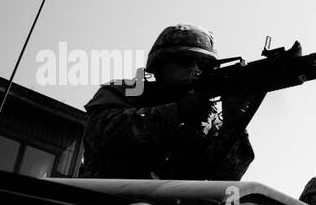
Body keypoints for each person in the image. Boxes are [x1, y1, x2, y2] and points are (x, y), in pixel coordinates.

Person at [80, 24, 263, 180]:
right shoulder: (127, 92)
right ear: (160, 63)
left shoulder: (206, 121)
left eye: (204, 65)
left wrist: (235, 121)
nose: (195, 70)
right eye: (184, 60)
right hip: (107, 204)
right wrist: (177, 112)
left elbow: (226, 176)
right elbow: (104, 134)